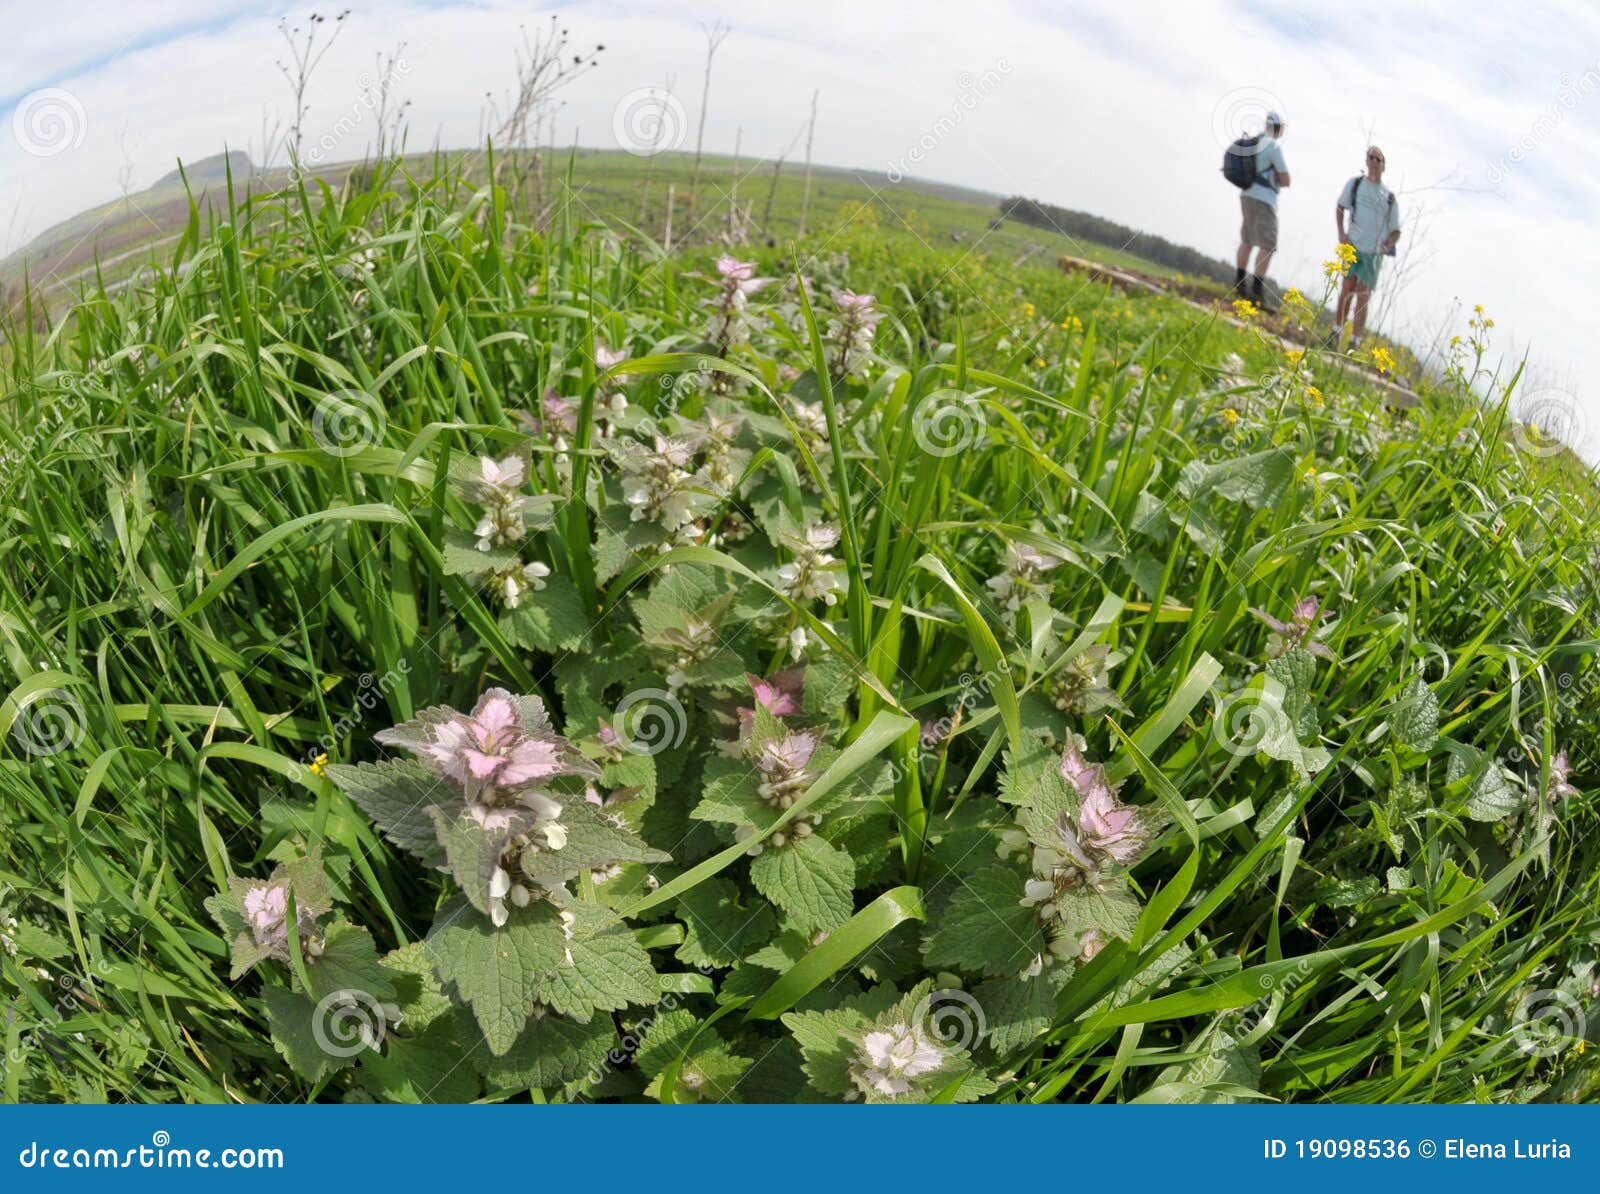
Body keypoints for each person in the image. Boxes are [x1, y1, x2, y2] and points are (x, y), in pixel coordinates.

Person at [1333, 146, 1402, 346]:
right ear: (1366, 161)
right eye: (1370, 157)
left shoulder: (1389, 197)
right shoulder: (1355, 184)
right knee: (1346, 289)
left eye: (1378, 159)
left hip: (1373, 253)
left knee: (1363, 296)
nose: (1373, 161)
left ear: (1384, 166)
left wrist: (1386, 246)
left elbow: (1396, 230)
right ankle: (1336, 332)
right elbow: (1340, 207)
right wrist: (1341, 233)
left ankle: (1355, 341)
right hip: (1352, 247)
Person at [1234, 112, 1290, 309]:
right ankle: (1257, 292)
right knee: (1268, 245)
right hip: (1264, 199)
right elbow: (1286, 180)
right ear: (1278, 127)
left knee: (1247, 240)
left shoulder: (1254, 142)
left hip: (1247, 195)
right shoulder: (1272, 146)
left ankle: (1239, 284)